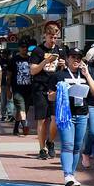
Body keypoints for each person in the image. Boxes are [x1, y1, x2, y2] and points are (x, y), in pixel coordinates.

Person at [55, 47, 94, 186]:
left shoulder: (84, 74)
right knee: (67, 145)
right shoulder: (59, 75)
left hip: (82, 114)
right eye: (73, 57)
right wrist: (62, 90)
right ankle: (67, 175)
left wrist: (88, 75)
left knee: (77, 147)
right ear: (67, 59)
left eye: (79, 57)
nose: (76, 60)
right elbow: (49, 96)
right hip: (66, 115)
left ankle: (72, 174)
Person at [28, 21, 63, 160]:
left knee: (55, 119)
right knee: (42, 120)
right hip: (40, 88)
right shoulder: (38, 51)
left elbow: (63, 71)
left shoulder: (60, 50)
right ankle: (42, 148)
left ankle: (51, 142)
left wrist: (62, 65)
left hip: (54, 88)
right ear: (45, 36)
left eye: (55, 37)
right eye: (51, 37)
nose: (53, 40)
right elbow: (33, 71)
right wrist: (45, 61)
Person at [7, 40, 33, 136]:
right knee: (21, 107)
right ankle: (25, 125)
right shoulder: (14, 60)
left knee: (23, 109)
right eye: (22, 47)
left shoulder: (31, 59)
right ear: (19, 48)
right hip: (17, 89)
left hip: (28, 88)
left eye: (26, 47)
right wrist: (8, 90)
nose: (24, 49)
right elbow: (9, 75)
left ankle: (15, 128)